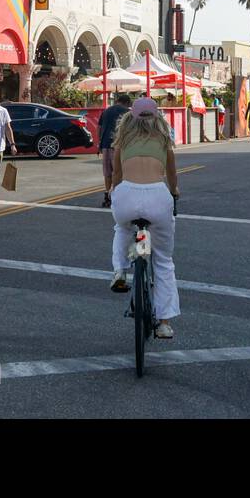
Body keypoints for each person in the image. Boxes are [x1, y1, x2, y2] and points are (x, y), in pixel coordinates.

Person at [107, 97, 180, 339]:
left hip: (127, 195)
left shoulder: (123, 139)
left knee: (121, 228)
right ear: (157, 117)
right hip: (158, 198)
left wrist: (113, 191)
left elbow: (116, 174)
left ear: (132, 117)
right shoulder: (163, 138)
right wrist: (174, 191)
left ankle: (119, 271)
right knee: (162, 261)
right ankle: (165, 323)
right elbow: (171, 173)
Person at [98, 93, 132, 207]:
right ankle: (118, 196)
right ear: (127, 102)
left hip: (105, 145)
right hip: (119, 145)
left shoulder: (106, 111)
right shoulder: (127, 112)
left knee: (107, 173)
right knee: (118, 172)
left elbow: (100, 127)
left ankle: (107, 195)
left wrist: (100, 144)